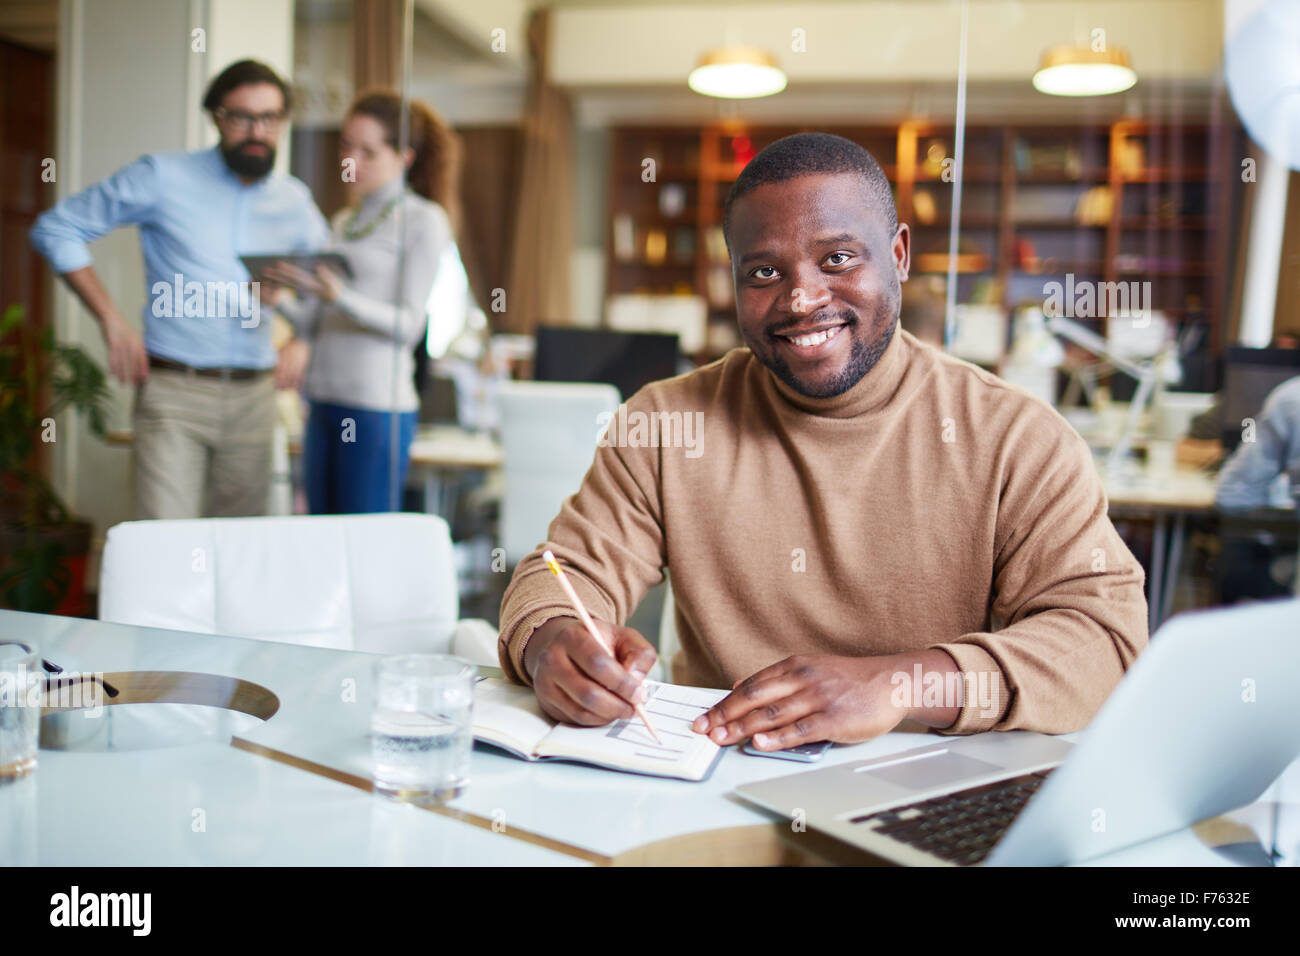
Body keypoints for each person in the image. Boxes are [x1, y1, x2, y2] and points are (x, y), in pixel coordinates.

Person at [499, 133, 1148, 750]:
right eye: (763, 273)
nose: (802, 299)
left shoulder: (1016, 438)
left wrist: (901, 682)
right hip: (719, 781)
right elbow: (563, 572)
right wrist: (552, 640)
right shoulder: (669, 423)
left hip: (927, 792)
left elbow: (1106, 641)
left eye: (837, 259)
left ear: (897, 255)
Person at [29, 59, 328, 520]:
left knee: (240, 550)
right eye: (242, 117)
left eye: (269, 118)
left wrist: (303, 336)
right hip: (175, 393)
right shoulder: (162, 177)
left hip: (255, 396)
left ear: (283, 122)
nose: (256, 130)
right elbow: (57, 228)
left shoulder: (294, 202)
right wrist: (112, 321)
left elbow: (327, 281)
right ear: (217, 117)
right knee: (165, 543)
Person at [268, 91, 460, 514]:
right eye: (346, 147)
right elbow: (313, 322)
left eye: (368, 152)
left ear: (404, 157)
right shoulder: (342, 222)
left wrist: (343, 297)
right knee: (321, 533)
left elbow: (408, 326)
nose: (351, 161)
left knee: (364, 540)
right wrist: (277, 300)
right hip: (321, 401)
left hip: (376, 409)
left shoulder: (423, 221)